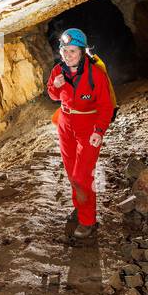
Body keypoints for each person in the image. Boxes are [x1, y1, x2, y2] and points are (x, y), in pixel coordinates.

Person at [46, 28, 115, 239]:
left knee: (81, 176)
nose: (67, 55)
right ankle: (80, 205)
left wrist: (99, 131)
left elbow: (106, 107)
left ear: (83, 52)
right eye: (64, 50)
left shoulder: (96, 75)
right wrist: (55, 87)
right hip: (65, 123)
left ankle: (87, 221)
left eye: (72, 51)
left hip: (88, 124)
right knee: (71, 172)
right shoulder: (58, 71)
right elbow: (52, 94)